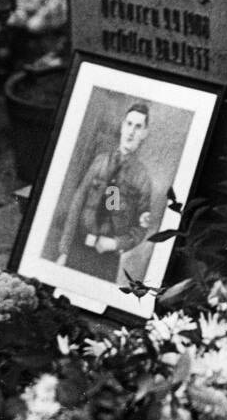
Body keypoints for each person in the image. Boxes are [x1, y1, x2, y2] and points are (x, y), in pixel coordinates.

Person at [55, 101, 156, 283]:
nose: (131, 131)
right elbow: (77, 204)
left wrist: (117, 243)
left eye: (138, 127)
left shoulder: (142, 178)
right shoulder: (99, 162)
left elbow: (142, 227)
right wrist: (64, 250)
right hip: (78, 248)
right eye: (129, 124)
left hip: (105, 261)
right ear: (122, 126)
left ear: (144, 133)